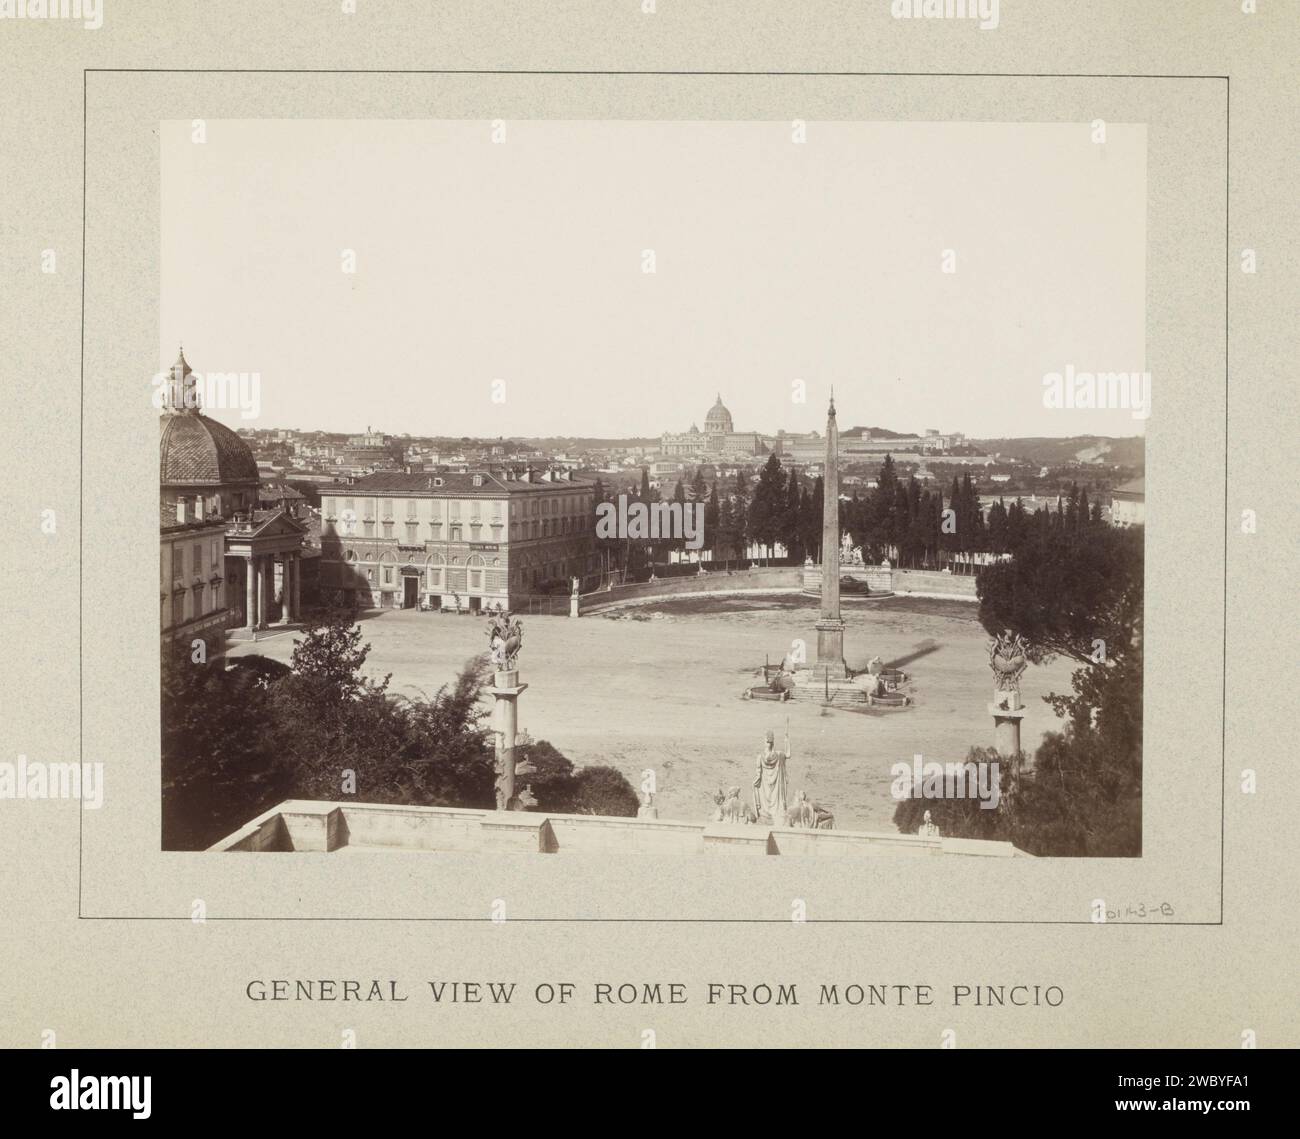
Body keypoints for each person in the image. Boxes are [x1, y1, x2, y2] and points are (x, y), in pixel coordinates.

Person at [752, 728, 790, 824]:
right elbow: (788, 754)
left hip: (765, 790)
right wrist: (786, 739)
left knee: (764, 802)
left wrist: (754, 783)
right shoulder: (779, 755)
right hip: (777, 792)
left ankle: (766, 814)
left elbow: (758, 776)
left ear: (765, 741)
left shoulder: (760, 757)